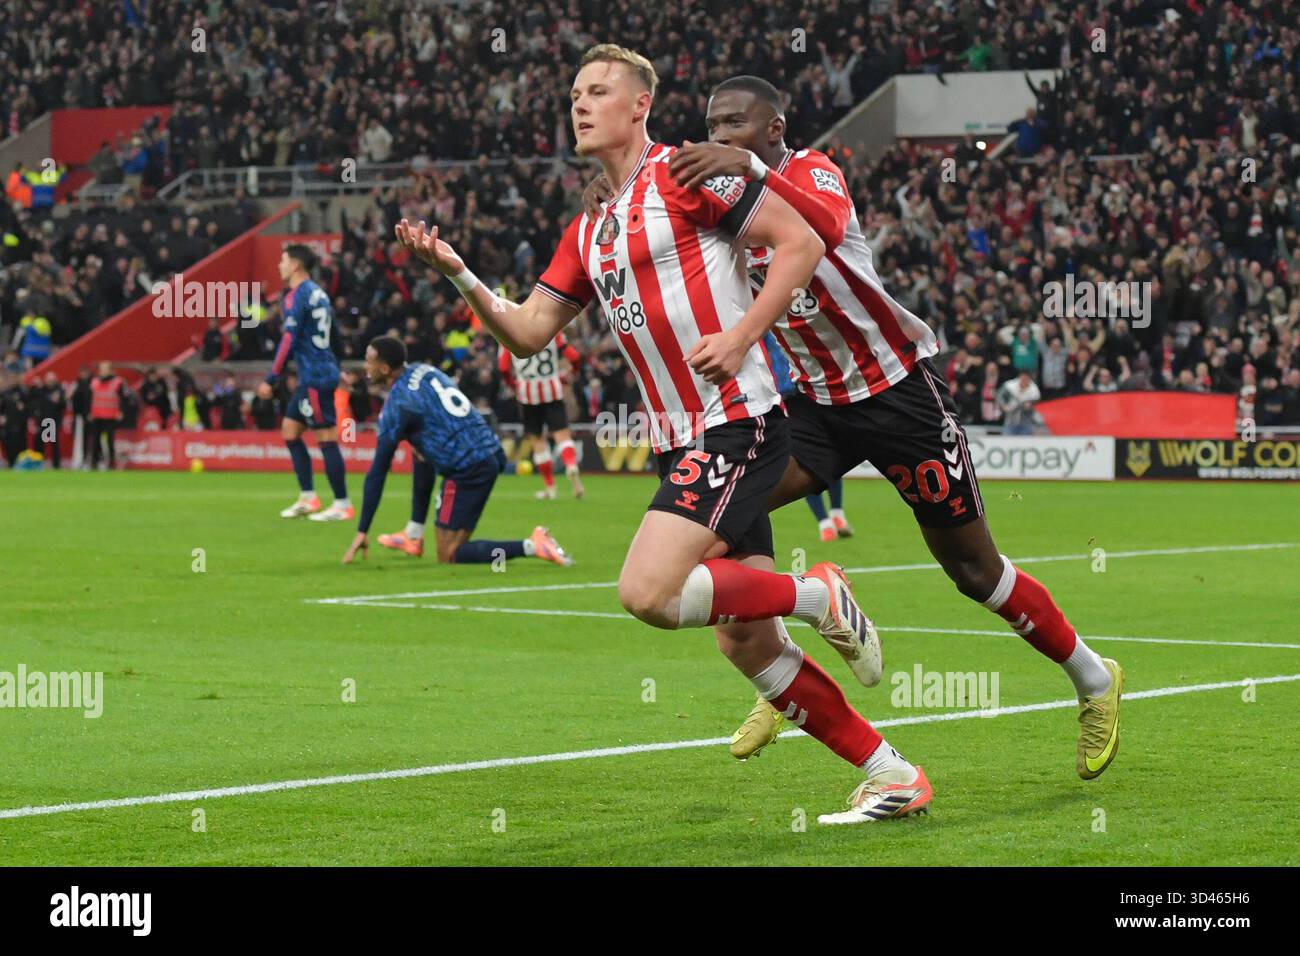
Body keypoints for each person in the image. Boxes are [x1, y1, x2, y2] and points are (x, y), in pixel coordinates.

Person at [584, 74, 1122, 802]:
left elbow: (824, 232)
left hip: (900, 397)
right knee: (722, 522)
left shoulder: (811, 173)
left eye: (736, 124)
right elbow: (668, 243)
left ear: (774, 129)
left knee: (974, 573)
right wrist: (613, 207)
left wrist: (750, 169)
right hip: (816, 411)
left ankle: (1092, 675)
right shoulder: (724, 203)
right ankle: (777, 656)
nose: (719, 136)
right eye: (712, 124)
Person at [395, 45, 891, 824]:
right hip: (679, 439)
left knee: (646, 592)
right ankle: (891, 773)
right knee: (746, 644)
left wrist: (742, 335)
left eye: (598, 91)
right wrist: (460, 273)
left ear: (639, 106)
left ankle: (816, 593)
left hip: (736, 422)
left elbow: (801, 241)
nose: (581, 104)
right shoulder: (590, 226)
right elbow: (528, 333)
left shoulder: (690, 176)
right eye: (574, 94)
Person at [342, 336, 573, 567]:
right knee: (419, 447)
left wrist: (362, 530)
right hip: (490, 450)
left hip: (466, 469)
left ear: (384, 368)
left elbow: (378, 470)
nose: (365, 367)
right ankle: (413, 533)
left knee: (449, 553)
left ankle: (532, 546)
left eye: (369, 361)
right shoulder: (425, 370)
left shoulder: (398, 405)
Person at [256, 245, 352, 521]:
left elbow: (289, 339)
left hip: (315, 376)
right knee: (290, 430)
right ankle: (308, 497)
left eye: (283, 260)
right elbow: (334, 334)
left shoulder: (296, 296)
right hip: (320, 371)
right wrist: (339, 367)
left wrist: (271, 378)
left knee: (326, 437)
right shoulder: (319, 293)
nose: (279, 265)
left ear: (296, 265)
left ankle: (342, 504)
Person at [764, 330, 854, 542]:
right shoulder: (776, 327)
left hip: (789, 393)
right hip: (799, 390)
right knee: (824, 456)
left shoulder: (766, 329)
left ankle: (826, 521)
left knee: (805, 461)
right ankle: (834, 514)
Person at [499, 331, 586, 500]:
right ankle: (571, 465)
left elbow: (503, 367)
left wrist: (513, 384)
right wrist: (572, 373)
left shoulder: (508, 330)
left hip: (527, 393)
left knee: (538, 441)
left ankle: (550, 487)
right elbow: (574, 356)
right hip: (551, 389)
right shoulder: (552, 329)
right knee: (562, 435)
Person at [88, 361, 127, 470]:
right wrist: (89, 412)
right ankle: (94, 463)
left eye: (105, 368)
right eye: (101, 368)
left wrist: (121, 411)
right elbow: (90, 399)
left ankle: (111, 463)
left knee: (110, 440)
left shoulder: (117, 382)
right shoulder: (94, 382)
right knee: (95, 440)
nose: (103, 371)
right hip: (97, 415)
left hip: (111, 415)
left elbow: (123, 398)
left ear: (110, 370)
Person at [34, 372, 66, 468]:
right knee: (39, 443)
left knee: (54, 445)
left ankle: (56, 465)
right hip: (43, 421)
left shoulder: (59, 390)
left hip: (53, 422)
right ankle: (38, 463)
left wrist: (58, 401)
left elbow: (64, 406)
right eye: (49, 380)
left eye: (52, 380)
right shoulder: (41, 390)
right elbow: (35, 401)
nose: (50, 382)